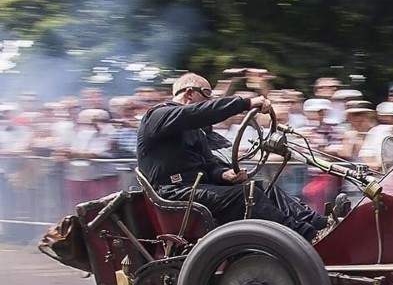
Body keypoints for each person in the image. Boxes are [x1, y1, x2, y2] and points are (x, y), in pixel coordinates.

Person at [136, 72, 330, 242]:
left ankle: (320, 223)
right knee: (244, 195)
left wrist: (224, 175)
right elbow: (198, 113)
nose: (210, 101)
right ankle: (305, 236)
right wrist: (244, 103)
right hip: (173, 192)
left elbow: (209, 166)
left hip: (197, 188)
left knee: (261, 186)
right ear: (189, 93)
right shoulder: (157, 116)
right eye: (207, 95)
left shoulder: (196, 131)